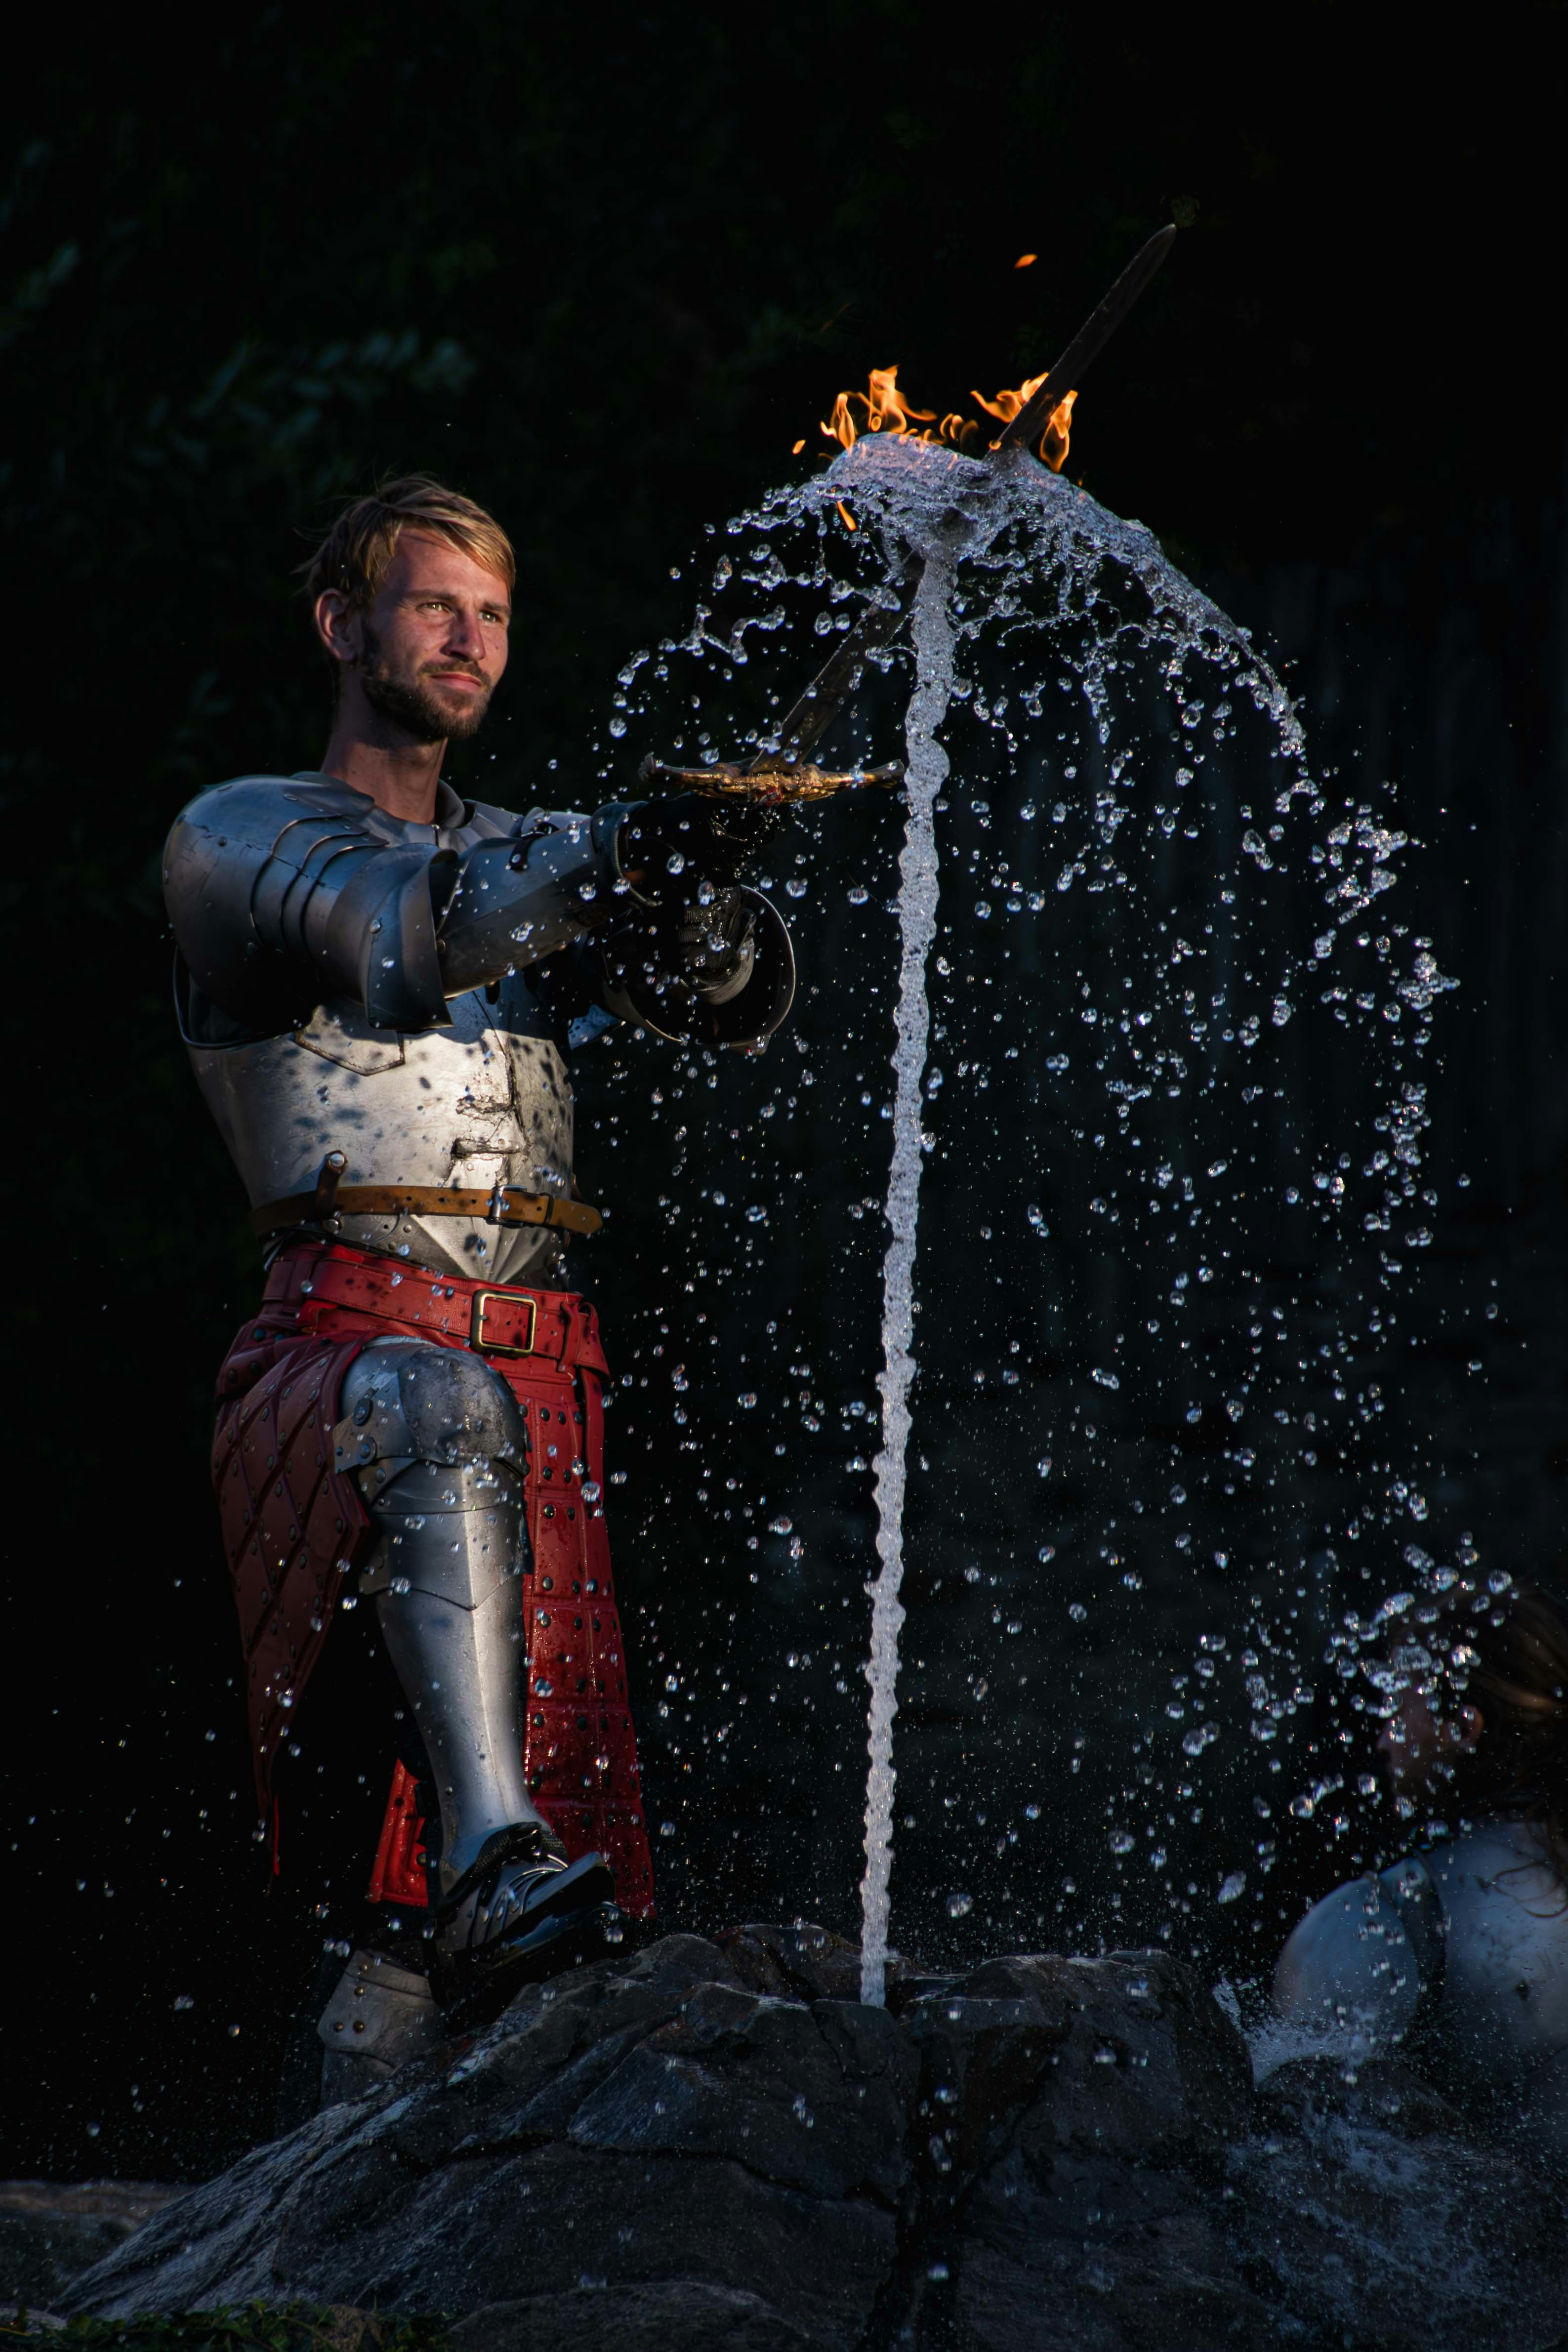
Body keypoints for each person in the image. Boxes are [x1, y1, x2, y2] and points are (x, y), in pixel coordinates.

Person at [164, 476, 794, 2103]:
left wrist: (697, 888)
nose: (471, 640)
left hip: (546, 1376)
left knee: (428, 1910)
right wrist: (617, 854)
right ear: (344, 623)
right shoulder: (243, 837)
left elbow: (719, 994)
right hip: (346, 1359)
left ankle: (377, 2232)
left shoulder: (534, 853)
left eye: (496, 615)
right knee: (436, 1431)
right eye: (437, 603)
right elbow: (402, 931)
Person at [1272, 1579, 1568, 2164]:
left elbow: (1296, 2157)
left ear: (1463, 1727)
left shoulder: (1391, 1920)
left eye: (1398, 1705)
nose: (1383, 1740)